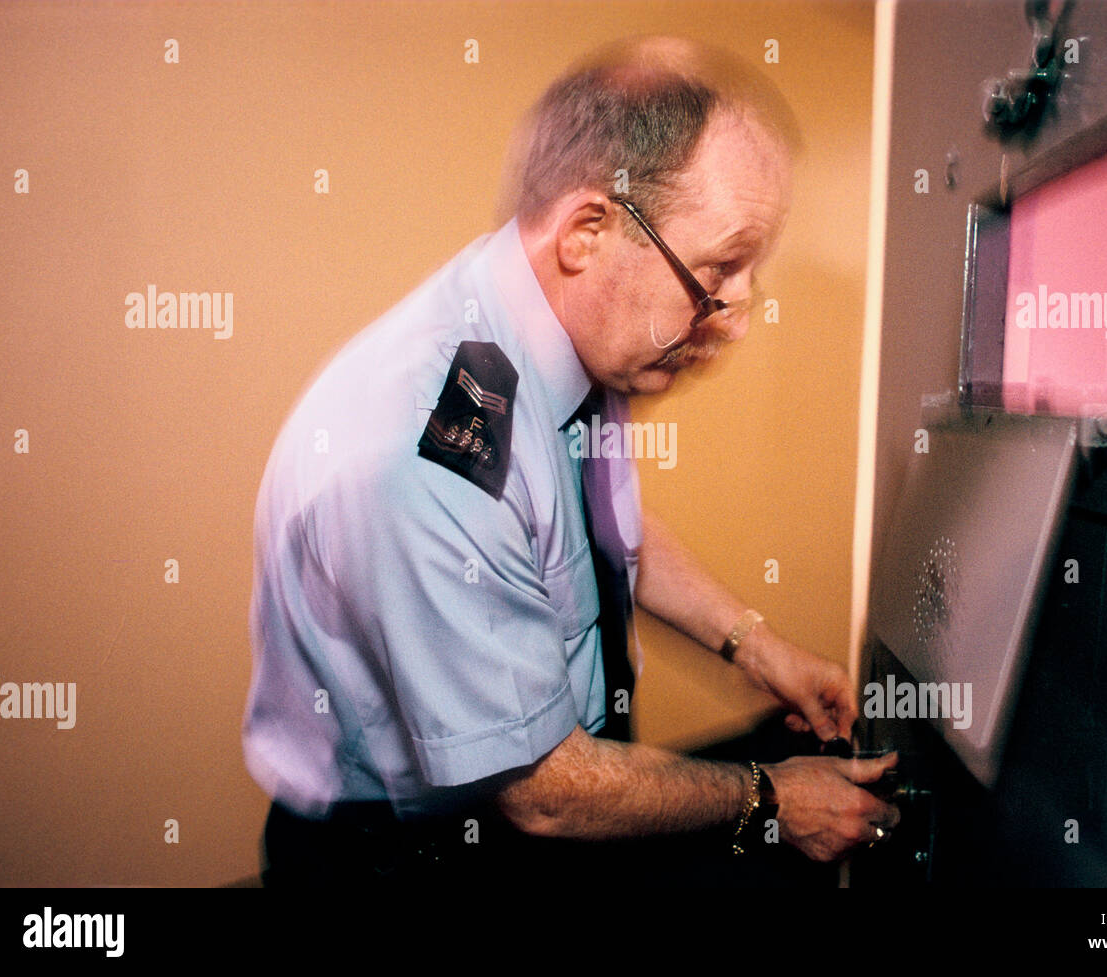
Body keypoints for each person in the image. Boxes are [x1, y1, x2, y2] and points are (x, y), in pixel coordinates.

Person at [243, 35, 899, 887]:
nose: (734, 319)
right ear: (589, 230)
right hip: (415, 857)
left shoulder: (559, 329)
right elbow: (543, 790)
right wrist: (771, 801)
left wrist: (754, 646)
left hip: (544, 801)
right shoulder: (425, 455)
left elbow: (588, 526)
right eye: (718, 273)